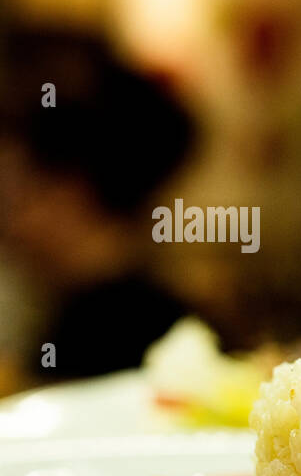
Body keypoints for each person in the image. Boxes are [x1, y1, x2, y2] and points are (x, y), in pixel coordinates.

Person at [0, 27, 195, 385]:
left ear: (69, 194)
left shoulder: (110, 332)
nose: (8, 224)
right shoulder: (142, 312)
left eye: (17, 197)